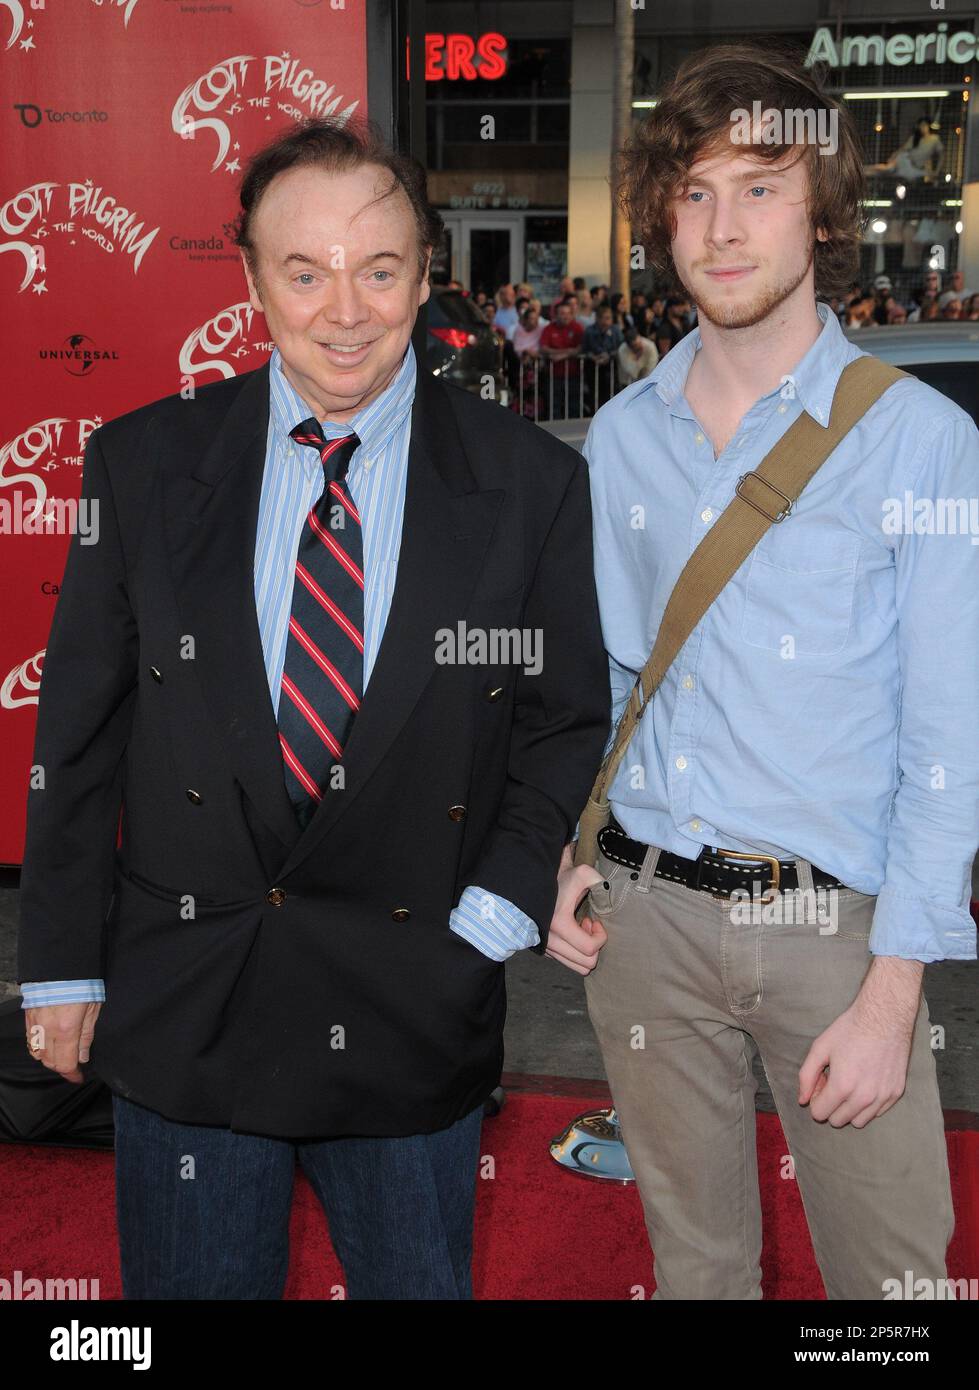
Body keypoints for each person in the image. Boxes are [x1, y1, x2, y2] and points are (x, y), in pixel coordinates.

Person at [17, 117, 611, 1301]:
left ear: (427, 275)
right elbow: (76, 739)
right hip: (189, 997)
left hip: (410, 1005)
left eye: (378, 269)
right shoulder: (141, 466)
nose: (344, 308)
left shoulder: (531, 482)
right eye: (304, 270)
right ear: (249, 278)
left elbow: (561, 717)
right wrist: (60, 968)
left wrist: (492, 912)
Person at [547, 40, 979, 1300]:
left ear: (823, 213)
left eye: (761, 187)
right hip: (644, 926)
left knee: (890, 1285)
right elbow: (613, 676)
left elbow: (950, 735)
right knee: (696, 1269)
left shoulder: (920, 443)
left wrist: (895, 993)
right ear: (659, 218)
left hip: (835, 940)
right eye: (694, 191)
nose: (721, 228)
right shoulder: (618, 438)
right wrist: (575, 848)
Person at [538, 298, 585, 420]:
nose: (566, 316)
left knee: (574, 406)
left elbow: (580, 348)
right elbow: (543, 348)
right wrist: (568, 351)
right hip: (554, 376)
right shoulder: (549, 328)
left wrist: (562, 356)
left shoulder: (577, 327)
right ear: (556, 315)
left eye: (568, 313)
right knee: (554, 407)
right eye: (562, 313)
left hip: (573, 375)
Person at [866, 115, 943, 183]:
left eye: (924, 125)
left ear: (928, 125)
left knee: (885, 174)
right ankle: (864, 169)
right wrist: (893, 156)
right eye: (921, 126)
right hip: (905, 160)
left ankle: (863, 171)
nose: (922, 128)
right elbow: (903, 149)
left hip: (913, 169)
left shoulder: (935, 139)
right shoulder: (914, 138)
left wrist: (937, 171)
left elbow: (941, 155)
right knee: (888, 169)